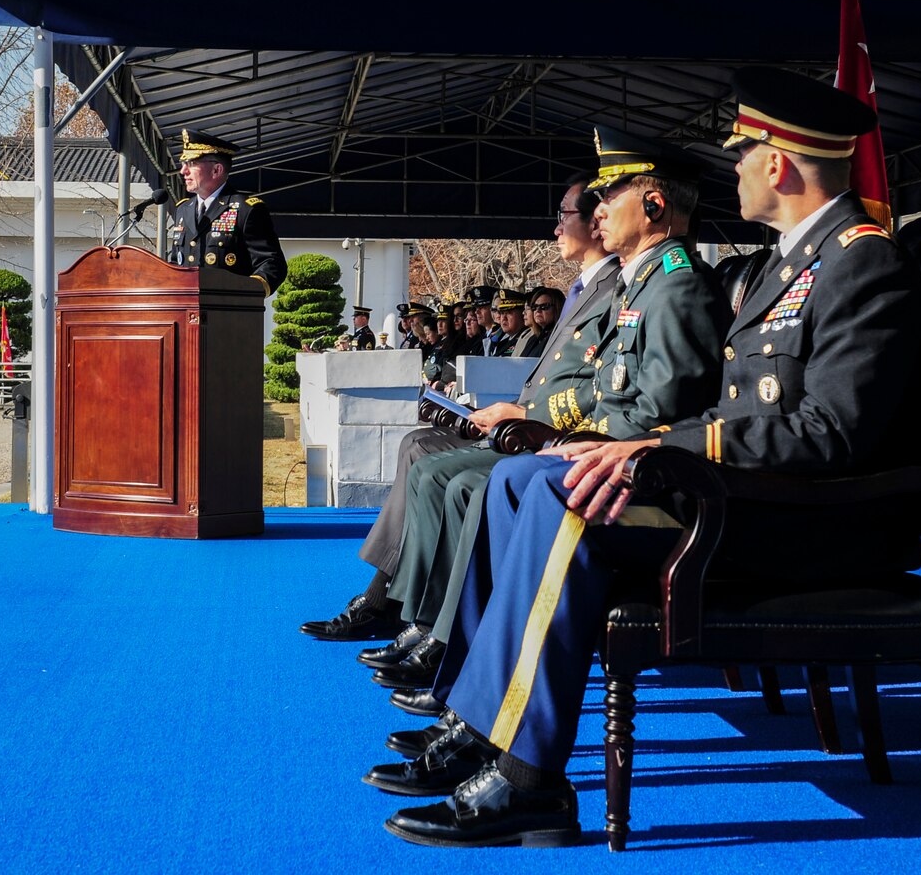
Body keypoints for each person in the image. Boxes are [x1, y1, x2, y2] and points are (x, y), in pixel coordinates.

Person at [382, 67, 921, 849]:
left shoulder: (862, 262)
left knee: (562, 498)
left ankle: (529, 778)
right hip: (746, 494)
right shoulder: (788, 262)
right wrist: (647, 446)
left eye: (743, 153)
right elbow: (742, 409)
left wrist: (659, 447)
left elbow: (830, 434)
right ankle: (482, 724)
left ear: (778, 164)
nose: (733, 167)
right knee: (526, 479)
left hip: (809, 520)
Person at [366, 133, 729, 700]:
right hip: (601, 452)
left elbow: (658, 411)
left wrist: (566, 439)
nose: (599, 212)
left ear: (654, 205)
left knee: (484, 484)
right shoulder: (646, 284)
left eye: (612, 198)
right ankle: (457, 658)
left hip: (649, 481)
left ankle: (465, 669)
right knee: (468, 478)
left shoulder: (677, 286)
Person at [301, 174, 622, 642]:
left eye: (563, 217)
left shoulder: (614, 288)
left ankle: (414, 614)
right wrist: (510, 407)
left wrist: (524, 418)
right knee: (415, 442)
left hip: (552, 437)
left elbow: (595, 388)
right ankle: (385, 597)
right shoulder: (583, 289)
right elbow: (557, 376)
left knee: (433, 468)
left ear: (595, 223)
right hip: (525, 422)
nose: (555, 229)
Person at [167, 129, 287, 295]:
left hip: (229, 315)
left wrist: (247, 295)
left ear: (216, 170)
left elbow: (271, 263)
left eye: (192, 164)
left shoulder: (246, 209)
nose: (183, 171)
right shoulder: (183, 209)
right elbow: (176, 263)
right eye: (183, 164)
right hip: (186, 312)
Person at [516, 286, 565, 360]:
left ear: (557, 308)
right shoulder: (533, 339)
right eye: (534, 307)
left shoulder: (560, 337)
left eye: (544, 306)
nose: (538, 311)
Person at [483, 290, 527, 357]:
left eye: (509, 312)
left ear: (522, 313)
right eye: (502, 313)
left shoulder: (526, 340)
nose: (503, 318)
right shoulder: (502, 343)